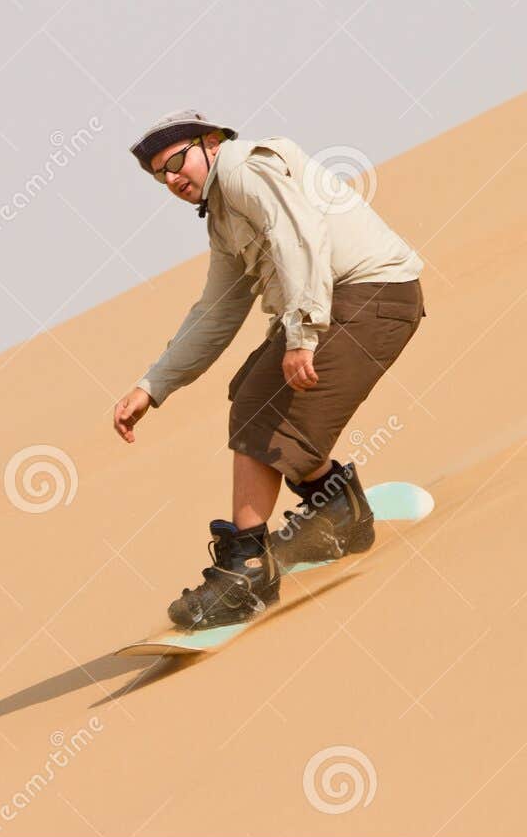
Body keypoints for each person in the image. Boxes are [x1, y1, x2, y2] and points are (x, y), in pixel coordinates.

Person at [111, 110, 426, 629]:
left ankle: (249, 572)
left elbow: (299, 236)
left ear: (211, 142)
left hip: (373, 296)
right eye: (159, 175)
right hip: (335, 302)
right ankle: (337, 512)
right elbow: (217, 311)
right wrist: (153, 385)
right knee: (253, 395)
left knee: (270, 419)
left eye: (175, 162)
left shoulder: (241, 171)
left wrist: (301, 334)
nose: (171, 180)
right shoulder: (222, 213)